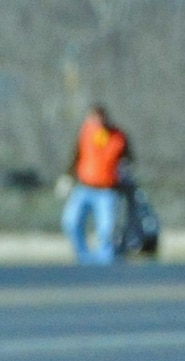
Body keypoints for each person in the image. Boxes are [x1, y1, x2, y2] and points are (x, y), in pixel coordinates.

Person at [62, 105, 132, 266]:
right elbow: (76, 155)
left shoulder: (118, 137)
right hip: (84, 187)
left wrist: (125, 175)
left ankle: (105, 262)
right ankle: (84, 258)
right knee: (71, 222)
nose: (96, 122)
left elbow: (128, 160)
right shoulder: (85, 134)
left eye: (99, 118)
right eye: (92, 118)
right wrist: (68, 176)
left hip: (107, 190)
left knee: (107, 229)